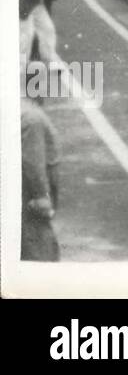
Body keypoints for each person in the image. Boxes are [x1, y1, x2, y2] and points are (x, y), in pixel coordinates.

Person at [21, 97, 60, 261]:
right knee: (41, 254)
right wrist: (41, 196)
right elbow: (33, 162)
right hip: (30, 200)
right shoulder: (33, 118)